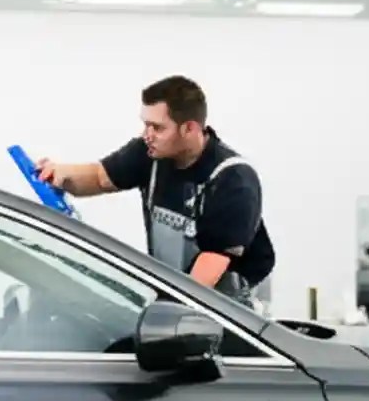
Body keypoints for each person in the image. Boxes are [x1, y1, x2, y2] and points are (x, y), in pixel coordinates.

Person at [36, 75, 275, 309]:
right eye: (145, 125)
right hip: (183, 293)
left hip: (231, 306)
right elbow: (100, 177)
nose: (147, 135)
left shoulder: (232, 178)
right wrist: (60, 174)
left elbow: (210, 267)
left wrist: (163, 314)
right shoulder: (150, 154)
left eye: (157, 128)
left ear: (189, 128)